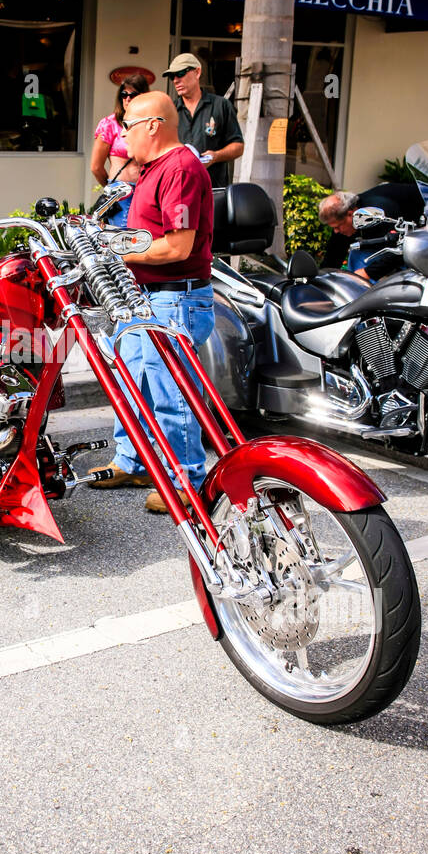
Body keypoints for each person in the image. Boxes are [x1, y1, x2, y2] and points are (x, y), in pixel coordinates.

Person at [89, 91, 215, 513]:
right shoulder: (151, 169)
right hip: (147, 296)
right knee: (132, 382)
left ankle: (187, 483)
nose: (122, 138)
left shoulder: (179, 168)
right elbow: (146, 233)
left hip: (174, 298)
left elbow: (178, 246)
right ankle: (134, 462)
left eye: (128, 128)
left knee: (171, 393)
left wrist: (115, 254)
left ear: (153, 126)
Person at [162, 52, 244, 188]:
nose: (176, 80)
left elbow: (238, 146)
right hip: (178, 188)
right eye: (172, 76)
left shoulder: (221, 105)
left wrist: (216, 156)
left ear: (197, 72)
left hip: (213, 189)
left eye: (180, 73)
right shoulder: (170, 110)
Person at [319, 183, 424, 279]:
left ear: (350, 214)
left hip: (423, 229)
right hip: (396, 236)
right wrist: (321, 279)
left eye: (338, 227)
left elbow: (400, 249)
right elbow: (334, 254)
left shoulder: (378, 213)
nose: (336, 231)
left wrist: (367, 273)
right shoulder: (345, 218)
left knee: (361, 264)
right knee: (357, 254)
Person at [89, 73, 150, 226]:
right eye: (124, 94)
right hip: (121, 191)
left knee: (145, 237)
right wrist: (113, 188)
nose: (128, 99)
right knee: (123, 238)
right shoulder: (109, 123)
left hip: (147, 191)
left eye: (133, 95)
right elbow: (96, 167)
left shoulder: (150, 123)